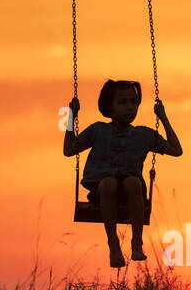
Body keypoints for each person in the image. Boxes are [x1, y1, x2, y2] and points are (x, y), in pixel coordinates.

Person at [65, 79, 182, 266]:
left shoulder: (143, 134)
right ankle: (113, 244)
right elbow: (69, 150)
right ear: (109, 107)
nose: (129, 107)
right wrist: (71, 115)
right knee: (108, 183)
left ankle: (137, 243)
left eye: (133, 103)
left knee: (133, 182)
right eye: (122, 102)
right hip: (102, 193)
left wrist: (164, 118)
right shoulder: (97, 130)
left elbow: (176, 150)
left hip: (131, 193)